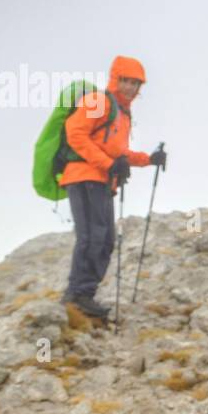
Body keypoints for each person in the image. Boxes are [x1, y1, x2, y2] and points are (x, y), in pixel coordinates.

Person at [59, 55, 166, 318]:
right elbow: (76, 134)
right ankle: (76, 295)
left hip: (102, 181)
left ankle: (85, 295)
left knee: (105, 240)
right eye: (126, 81)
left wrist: (147, 159)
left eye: (136, 83)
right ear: (115, 79)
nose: (130, 87)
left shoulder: (122, 113)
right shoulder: (98, 101)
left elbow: (118, 152)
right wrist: (107, 164)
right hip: (84, 176)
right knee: (92, 236)